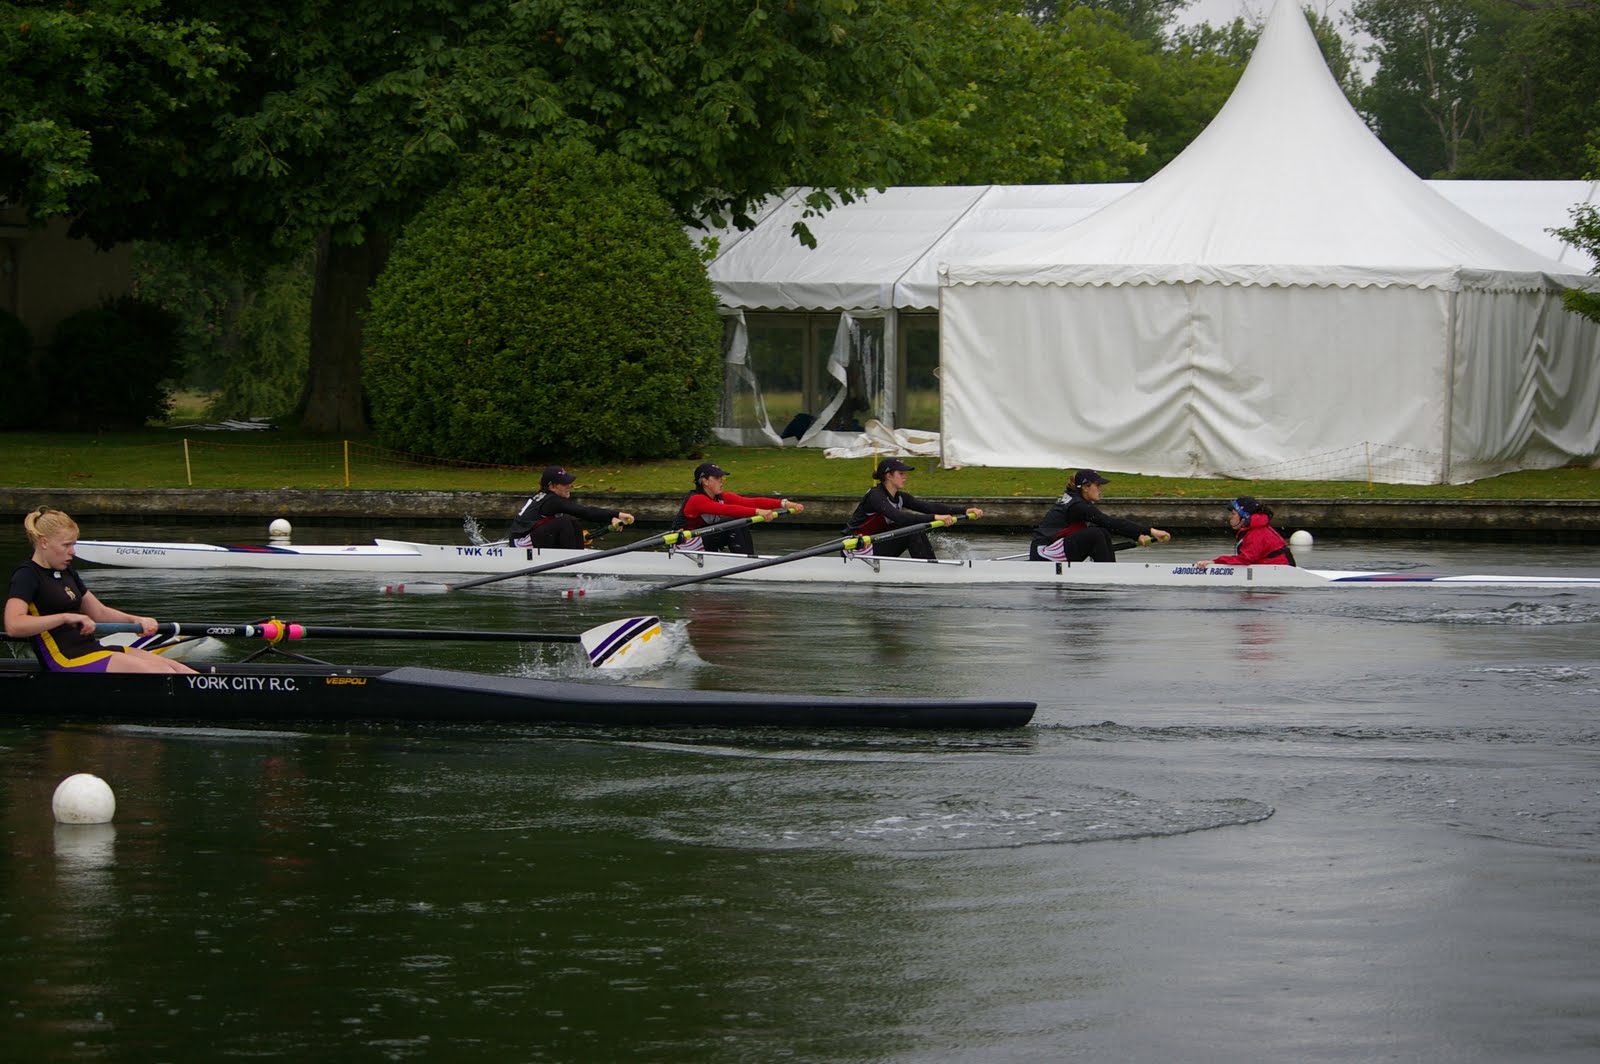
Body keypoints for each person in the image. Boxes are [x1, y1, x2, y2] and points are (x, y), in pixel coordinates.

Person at [5, 507, 197, 673]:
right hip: (64, 659)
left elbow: (99, 612)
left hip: (92, 648)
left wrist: (135, 620)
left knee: (178, 668)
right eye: (66, 545)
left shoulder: (67, 571)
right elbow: (14, 626)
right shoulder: (27, 575)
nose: (73, 551)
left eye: (74, 544)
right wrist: (65, 617)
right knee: (160, 671)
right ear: (44, 542)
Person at [843, 457, 983, 560]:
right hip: (857, 549)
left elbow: (929, 507)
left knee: (916, 528)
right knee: (911, 529)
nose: (905, 477)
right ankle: (928, 568)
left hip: (875, 543)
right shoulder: (875, 496)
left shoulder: (900, 497)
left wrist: (964, 510)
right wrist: (935, 517)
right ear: (889, 476)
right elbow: (899, 517)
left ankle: (931, 564)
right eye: (901, 474)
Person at [1029, 469, 1172, 562]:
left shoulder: (1076, 501)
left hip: (1049, 548)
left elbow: (1108, 526)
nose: (1100, 489)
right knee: (1096, 533)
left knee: (1101, 532)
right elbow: (1109, 522)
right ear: (1085, 488)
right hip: (1044, 553)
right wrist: (1150, 531)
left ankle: (1106, 570)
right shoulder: (1078, 506)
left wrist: (1137, 536)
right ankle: (1107, 573)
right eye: (1097, 486)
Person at [673, 462, 804, 555]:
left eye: (722, 477)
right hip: (685, 544)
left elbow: (750, 502)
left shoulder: (720, 496)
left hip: (702, 539)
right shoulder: (696, 499)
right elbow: (726, 510)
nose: (722, 481)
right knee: (734, 523)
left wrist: (785, 503)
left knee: (740, 522)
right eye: (717, 478)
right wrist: (758, 512)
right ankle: (743, 562)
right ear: (705, 481)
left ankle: (749, 559)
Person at [507, 466, 635, 549]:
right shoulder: (552, 501)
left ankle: (576, 554)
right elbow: (584, 512)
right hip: (520, 545)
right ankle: (572, 560)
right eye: (564, 483)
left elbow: (581, 512)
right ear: (552, 486)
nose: (569, 485)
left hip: (528, 538)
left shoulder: (547, 496)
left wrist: (610, 518)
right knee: (564, 523)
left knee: (572, 522)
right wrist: (617, 515)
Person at [1197, 496, 1296, 568]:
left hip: (1280, 571)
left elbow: (1245, 559)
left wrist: (1215, 562)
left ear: (1244, 517)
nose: (1230, 517)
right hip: (1275, 569)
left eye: (1233, 514)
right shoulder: (1253, 529)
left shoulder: (1256, 533)